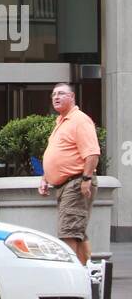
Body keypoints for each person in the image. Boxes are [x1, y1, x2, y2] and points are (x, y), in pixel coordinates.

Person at [38, 83, 100, 265]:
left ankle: (72, 276)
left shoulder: (79, 120)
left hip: (76, 182)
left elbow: (92, 153)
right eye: (54, 94)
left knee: (69, 232)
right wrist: (46, 178)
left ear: (72, 97)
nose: (56, 97)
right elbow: (60, 154)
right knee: (76, 231)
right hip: (66, 185)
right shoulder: (61, 121)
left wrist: (86, 179)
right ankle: (87, 273)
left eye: (61, 94)